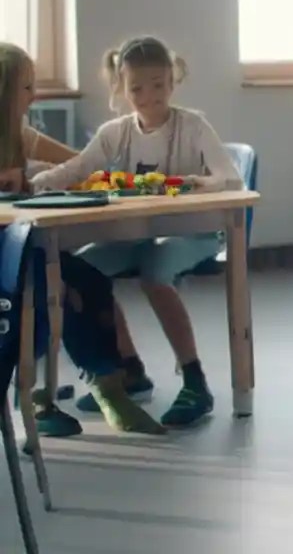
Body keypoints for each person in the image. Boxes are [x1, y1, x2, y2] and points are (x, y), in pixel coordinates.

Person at [32, 36, 243, 428]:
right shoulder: (117, 131)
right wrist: (36, 182)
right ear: (121, 89)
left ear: (172, 81)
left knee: (154, 273)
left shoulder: (193, 125)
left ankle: (195, 380)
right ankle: (128, 370)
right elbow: (77, 169)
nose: (149, 97)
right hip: (138, 235)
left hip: (193, 233)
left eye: (159, 86)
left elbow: (228, 177)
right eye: (137, 89)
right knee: (78, 273)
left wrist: (193, 183)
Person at [0, 42, 165, 436]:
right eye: (26, 87)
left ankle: (108, 384)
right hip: (8, 260)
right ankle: (36, 395)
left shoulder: (20, 135)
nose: (34, 96)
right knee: (52, 288)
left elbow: (79, 162)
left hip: (23, 250)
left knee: (89, 281)